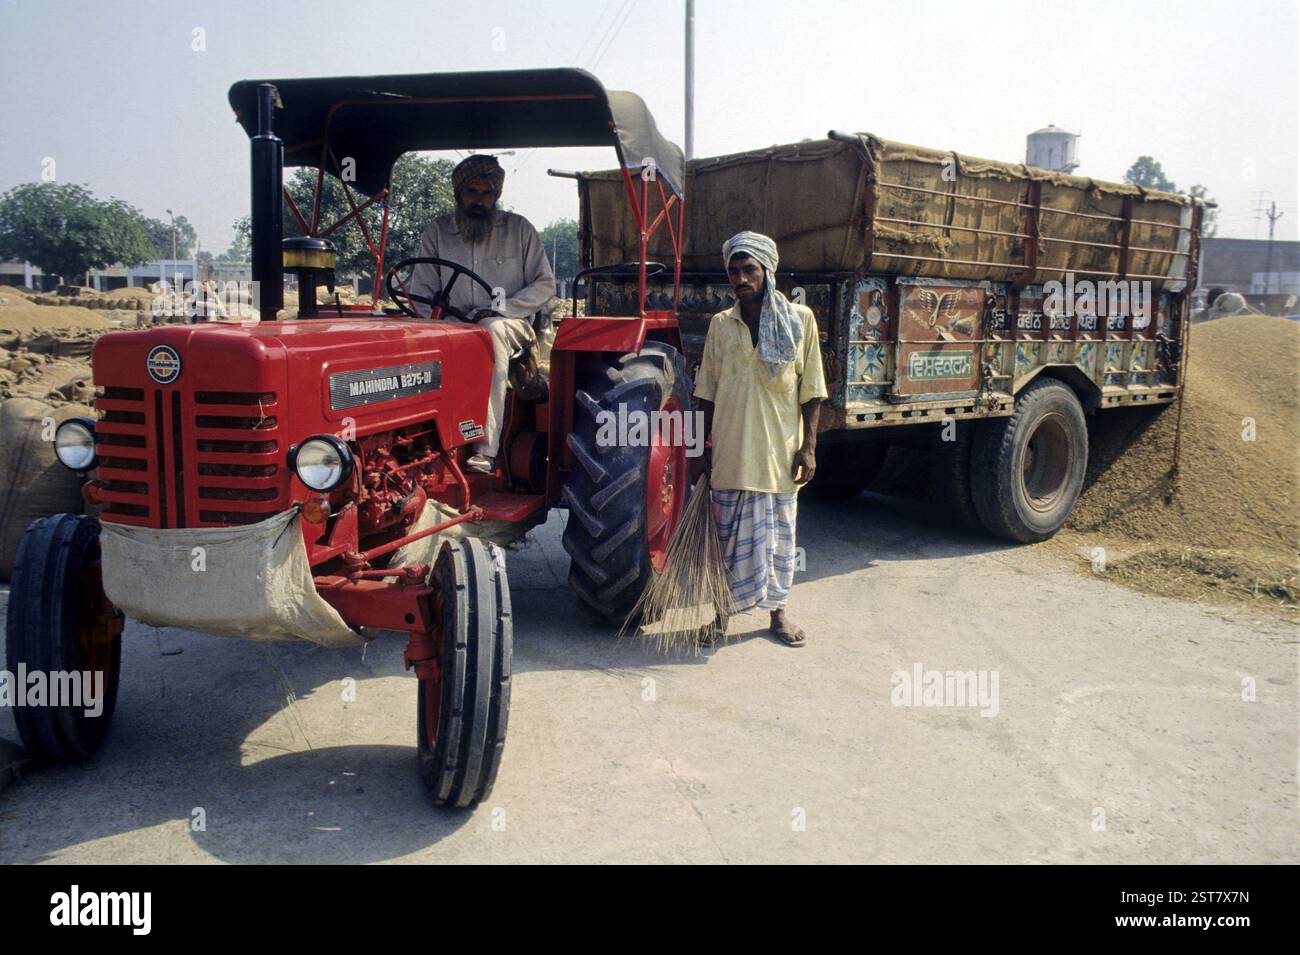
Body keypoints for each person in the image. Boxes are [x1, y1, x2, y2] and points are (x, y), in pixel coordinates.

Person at [693, 231, 828, 647]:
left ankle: (778, 614)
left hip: (777, 454)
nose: (741, 278)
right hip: (731, 453)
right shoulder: (721, 324)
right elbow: (706, 391)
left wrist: (809, 446)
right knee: (727, 541)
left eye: (749, 269)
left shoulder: (799, 320)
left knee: (778, 542)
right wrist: (699, 449)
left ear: (767, 271)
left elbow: (812, 389)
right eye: (734, 271)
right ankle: (719, 617)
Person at [409, 154, 556, 473]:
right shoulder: (437, 232)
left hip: (511, 326)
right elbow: (420, 292)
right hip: (452, 325)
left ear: (497, 195)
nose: (479, 200)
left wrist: (503, 307)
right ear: (458, 194)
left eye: (486, 193)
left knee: (489, 330)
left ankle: (484, 449)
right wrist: (426, 329)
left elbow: (545, 285)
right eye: (472, 192)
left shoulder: (519, 230)